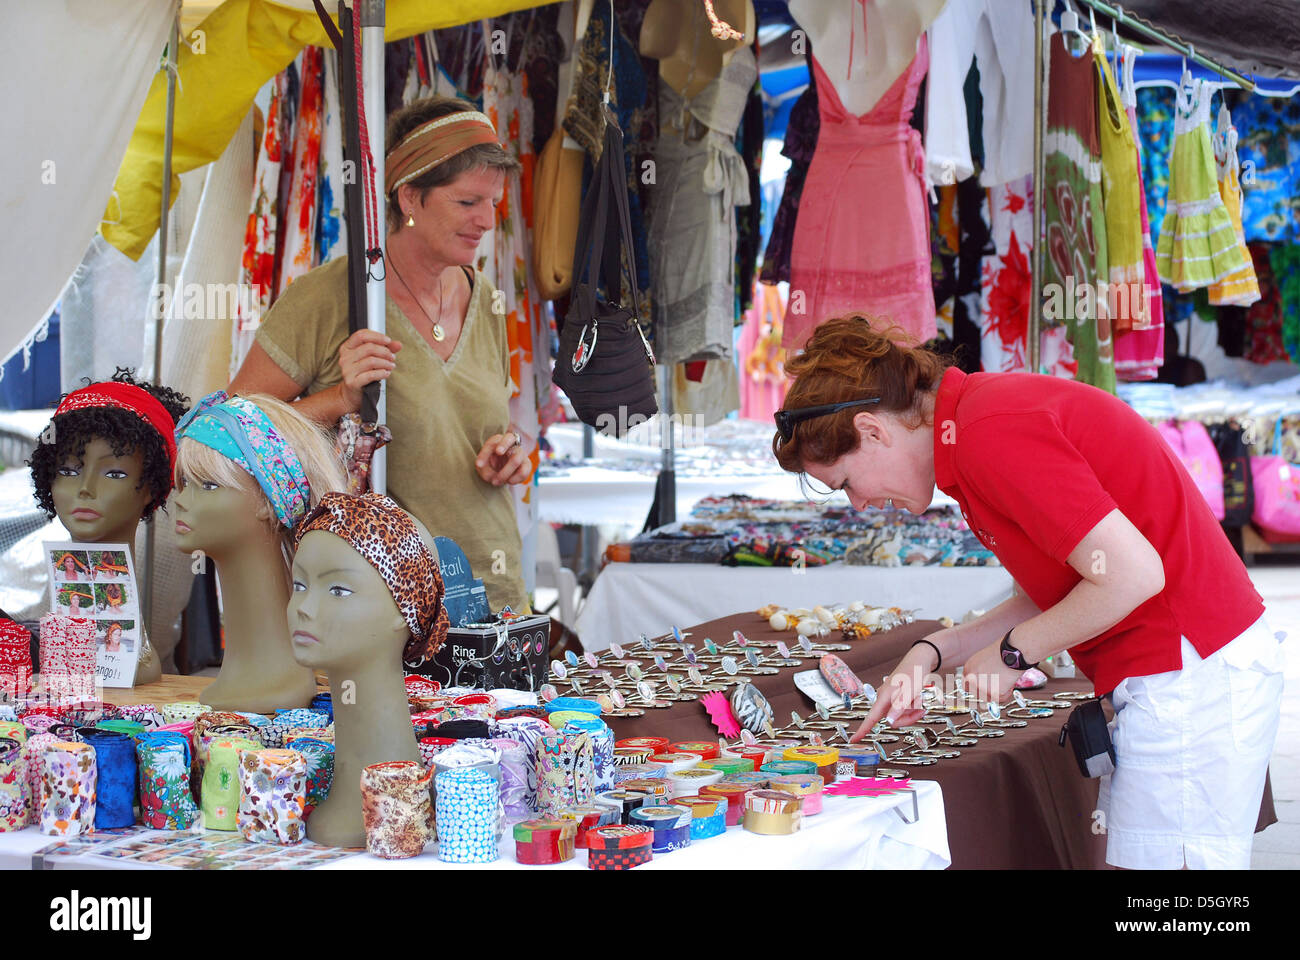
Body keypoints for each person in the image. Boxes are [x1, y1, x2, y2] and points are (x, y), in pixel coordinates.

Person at [771, 315, 1283, 870]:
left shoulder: (991, 432)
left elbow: (1134, 573)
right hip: (1175, 672)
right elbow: (1058, 589)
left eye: (845, 483)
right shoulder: (970, 430)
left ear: (873, 430)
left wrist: (1016, 652)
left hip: (1190, 670)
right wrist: (934, 652)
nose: (859, 504)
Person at [230, 95, 531, 613]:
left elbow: (478, 429)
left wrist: (515, 456)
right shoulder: (329, 299)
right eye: (467, 203)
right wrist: (339, 398)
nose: (486, 220)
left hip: (494, 593)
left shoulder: (487, 299)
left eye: (493, 203)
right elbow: (228, 438)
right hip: (382, 608)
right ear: (410, 198)